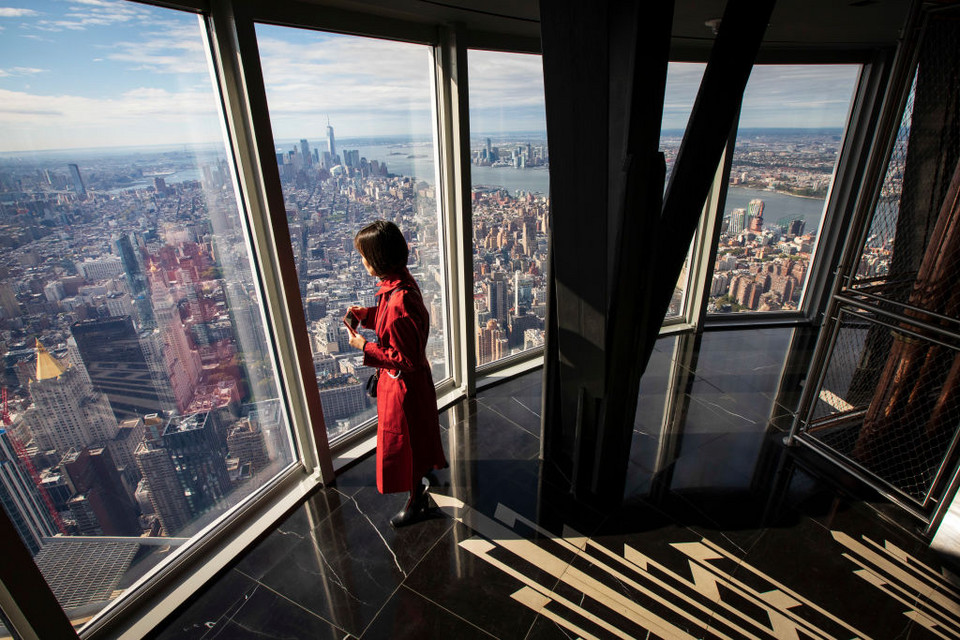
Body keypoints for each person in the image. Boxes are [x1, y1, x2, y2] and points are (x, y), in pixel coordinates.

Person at [345, 220, 448, 527]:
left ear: (379, 259)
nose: (362, 262)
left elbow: (405, 358)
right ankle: (424, 473)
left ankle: (417, 501)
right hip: (412, 383)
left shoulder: (399, 298)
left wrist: (364, 346)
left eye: (365, 256)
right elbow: (393, 322)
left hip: (403, 387)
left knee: (406, 443)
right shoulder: (399, 283)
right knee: (418, 435)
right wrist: (367, 316)